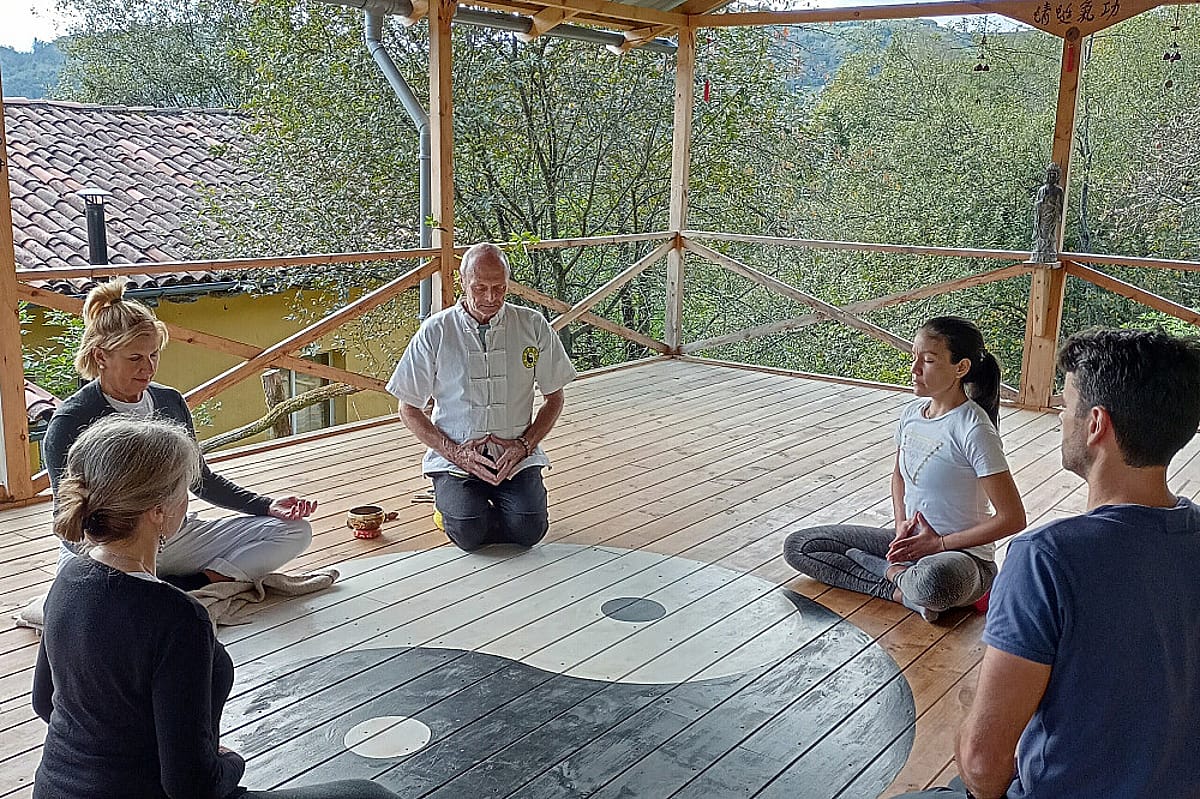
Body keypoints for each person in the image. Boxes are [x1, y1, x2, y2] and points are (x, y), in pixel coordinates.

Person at [896, 328, 1200, 799]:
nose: (1060, 417)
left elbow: (983, 769)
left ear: (1095, 424)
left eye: (1064, 406)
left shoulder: (1049, 558)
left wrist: (973, 701)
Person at [33, 415, 400, 799]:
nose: (187, 501)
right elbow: (191, 787)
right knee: (368, 794)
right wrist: (229, 760)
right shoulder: (176, 617)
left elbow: (45, 703)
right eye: (183, 491)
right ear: (157, 510)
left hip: (54, 789)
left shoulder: (68, 580)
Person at [42, 280, 315, 588]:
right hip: (109, 546)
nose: (148, 368)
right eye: (135, 358)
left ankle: (197, 583)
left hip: (174, 536)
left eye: (154, 356)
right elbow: (67, 514)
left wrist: (265, 506)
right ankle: (148, 585)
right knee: (96, 589)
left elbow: (200, 478)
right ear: (101, 356)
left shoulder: (169, 401)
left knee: (296, 531)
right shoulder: (71, 420)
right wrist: (107, 558)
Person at [783, 316, 1026, 621]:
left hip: (962, 559)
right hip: (912, 547)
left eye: (928, 360)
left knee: (936, 582)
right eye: (914, 358)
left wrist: (938, 544)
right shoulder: (911, 414)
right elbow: (899, 477)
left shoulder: (974, 429)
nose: (914, 369)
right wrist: (901, 528)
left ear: (960, 368)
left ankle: (894, 576)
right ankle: (902, 590)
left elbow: (1013, 518)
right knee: (801, 546)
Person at [387, 242, 577, 551]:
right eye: (480, 288)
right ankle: (454, 507)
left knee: (530, 530)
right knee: (468, 532)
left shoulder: (531, 324)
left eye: (499, 288)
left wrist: (525, 445)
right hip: (456, 458)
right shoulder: (436, 331)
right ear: (463, 282)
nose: (490, 298)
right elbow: (408, 408)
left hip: (515, 456)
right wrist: (454, 452)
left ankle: (490, 509)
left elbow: (554, 398)